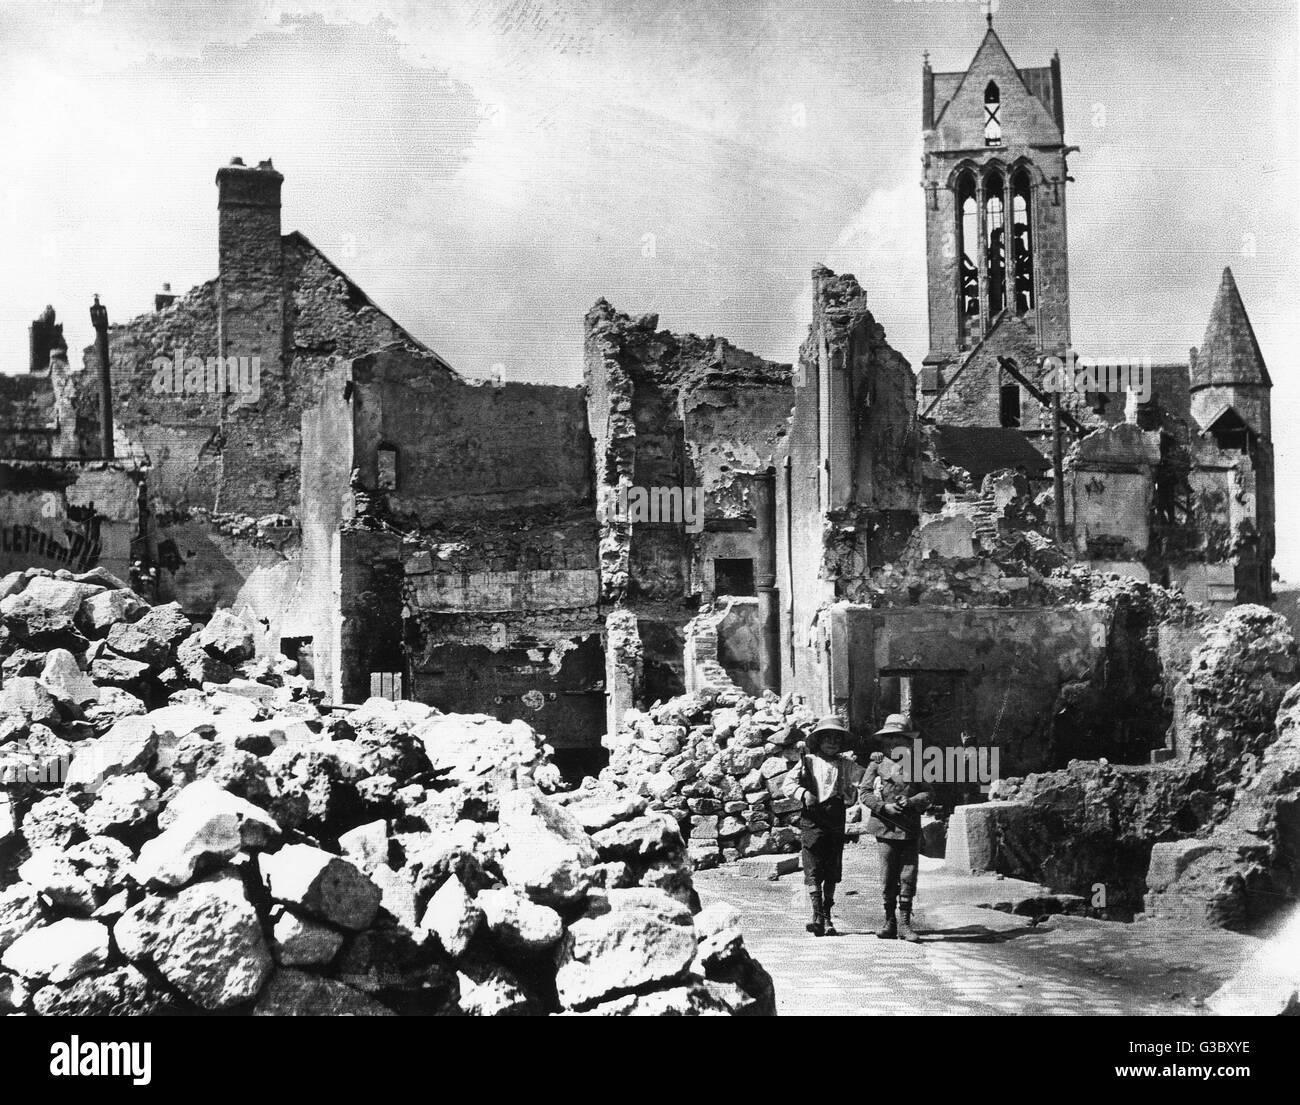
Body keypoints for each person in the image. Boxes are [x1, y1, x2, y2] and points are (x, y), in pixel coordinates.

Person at [785, 716, 861, 937]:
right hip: (812, 819)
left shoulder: (846, 765)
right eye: (827, 738)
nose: (832, 743)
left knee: (831, 867)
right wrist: (803, 793)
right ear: (818, 741)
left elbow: (866, 776)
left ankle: (827, 916)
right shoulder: (807, 762)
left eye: (836, 739)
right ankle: (816, 914)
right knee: (813, 866)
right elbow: (788, 784)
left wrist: (875, 762)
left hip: (835, 819)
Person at [859, 713, 931, 943]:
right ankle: (889, 920)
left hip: (909, 828)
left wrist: (910, 802)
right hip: (885, 827)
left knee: (908, 875)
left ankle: (905, 923)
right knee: (887, 874)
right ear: (883, 742)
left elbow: (928, 793)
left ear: (909, 742)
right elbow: (865, 792)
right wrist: (883, 807)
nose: (893, 744)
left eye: (899, 739)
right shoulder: (877, 763)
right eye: (889, 739)